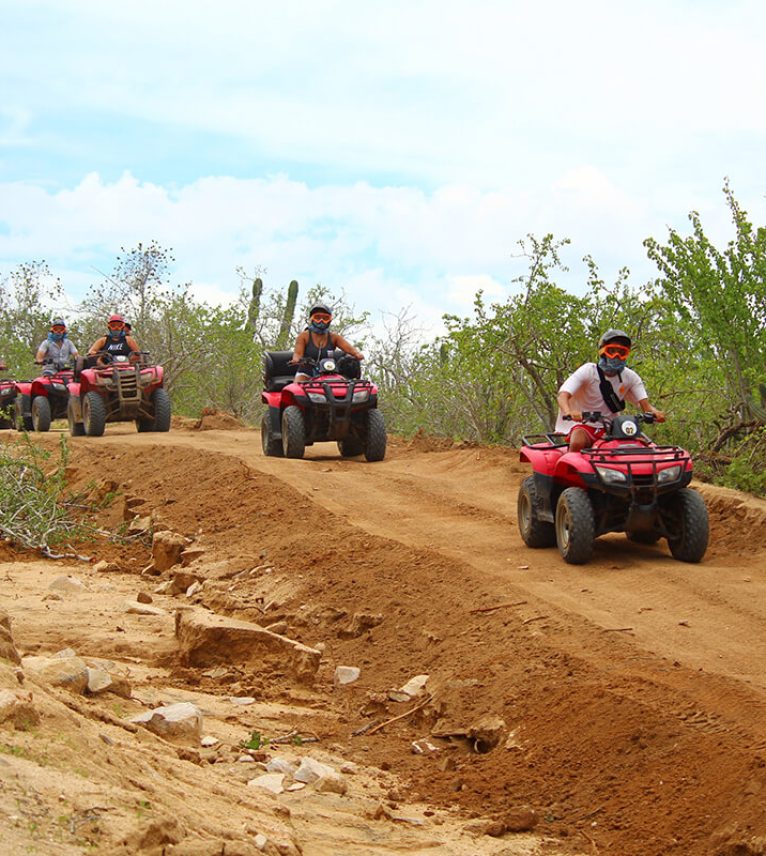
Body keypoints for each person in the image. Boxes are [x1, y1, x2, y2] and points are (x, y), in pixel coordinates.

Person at [556, 329, 665, 453]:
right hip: (584, 425)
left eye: (622, 352)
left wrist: (656, 413)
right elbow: (563, 395)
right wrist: (568, 412)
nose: (617, 357)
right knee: (578, 442)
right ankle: (571, 470)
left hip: (612, 428)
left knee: (642, 447)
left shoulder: (631, 377)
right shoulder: (588, 371)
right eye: (612, 351)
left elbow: (646, 407)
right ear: (603, 352)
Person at [289, 302, 364, 382]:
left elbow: (350, 349)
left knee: (345, 387)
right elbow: (297, 354)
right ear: (311, 319)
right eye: (317, 318)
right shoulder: (304, 336)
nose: (321, 321)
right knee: (297, 388)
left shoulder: (334, 337)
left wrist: (357, 354)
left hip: (328, 373)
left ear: (330, 320)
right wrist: (296, 360)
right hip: (306, 372)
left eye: (325, 318)